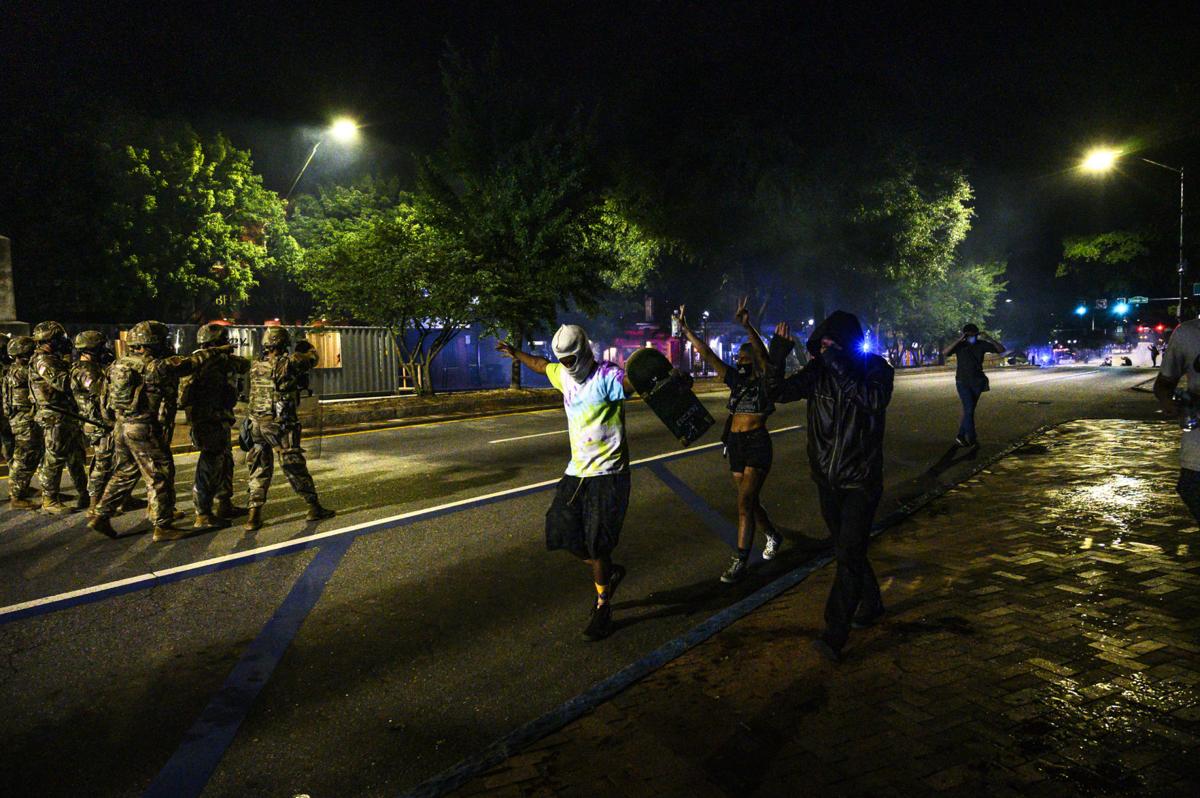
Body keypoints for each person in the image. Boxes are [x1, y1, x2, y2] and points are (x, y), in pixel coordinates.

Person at [768, 312, 894, 664]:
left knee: (849, 555)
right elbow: (776, 392)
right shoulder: (817, 373)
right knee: (846, 550)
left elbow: (872, 401)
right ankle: (872, 603)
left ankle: (834, 633)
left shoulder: (876, 369)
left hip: (862, 482)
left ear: (844, 345)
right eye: (820, 346)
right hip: (827, 481)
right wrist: (777, 354)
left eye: (830, 345)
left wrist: (838, 364)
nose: (823, 351)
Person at [496, 325, 634, 641]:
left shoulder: (606, 377)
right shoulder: (562, 375)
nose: (569, 366)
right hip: (577, 473)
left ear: (584, 350)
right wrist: (516, 353)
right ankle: (608, 571)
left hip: (608, 474)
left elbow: (629, 383)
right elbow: (541, 365)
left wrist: (656, 379)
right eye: (565, 361)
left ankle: (603, 607)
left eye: (572, 359)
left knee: (598, 544)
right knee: (559, 530)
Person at [88, 321, 231, 541]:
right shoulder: (153, 367)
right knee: (160, 474)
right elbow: (189, 363)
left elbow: (104, 399)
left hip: (121, 426)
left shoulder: (117, 365)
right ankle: (162, 526)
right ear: (148, 345)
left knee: (125, 472)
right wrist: (214, 351)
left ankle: (101, 514)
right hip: (143, 428)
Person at [677, 298, 782, 583]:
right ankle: (772, 533)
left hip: (757, 443)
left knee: (744, 502)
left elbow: (763, 355)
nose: (740, 363)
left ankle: (740, 560)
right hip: (735, 445)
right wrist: (686, 331)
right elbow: (708, 354)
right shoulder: (735, 380)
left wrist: (748, 327)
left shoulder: (765, 383)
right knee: (748, 500)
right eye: (738, 360)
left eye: (745, 360)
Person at [244, 327, 335, 531]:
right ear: (283, 344)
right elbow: (313, 359)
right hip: (279, 425)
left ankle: (253, 516)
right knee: (293, 464)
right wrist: (307, 347)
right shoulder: (288, 363)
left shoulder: (256, 365)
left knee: (259, 469)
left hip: (256, 423)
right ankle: (313, 506)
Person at [183, 323, 250, 528]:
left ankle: (224, 503)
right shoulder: (195, 363)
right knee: (209, 466)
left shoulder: (223, 361)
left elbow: (243, 365)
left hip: (221, 419)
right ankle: (202, 513)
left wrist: (222, 355)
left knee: (225, 462)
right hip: (207, 422)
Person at [28, 321, 90, 513]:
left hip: (66, 414)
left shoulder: (52, 358)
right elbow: (64, 383)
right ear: (48, 341)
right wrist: (82, 369)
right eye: (59, 338)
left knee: (76, 457)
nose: (64, 341)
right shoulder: (43, 361)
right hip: (55, 415)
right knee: (54, 458)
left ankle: (85, 494)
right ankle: (49, 500)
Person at [1153, 320, 1200, 521]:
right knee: (1191, 489)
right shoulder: (1188, 334)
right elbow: (1163, 384)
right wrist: (1172, 403)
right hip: (1197, 454)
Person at [70, 330, 116, 516]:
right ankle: (94, 505)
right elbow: (103, 393)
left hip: (100, 420)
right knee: (102, 462)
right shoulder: (86, 370)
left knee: (110, 460)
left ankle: (111, 499)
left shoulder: (88, 367)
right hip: (97, 422)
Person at [942, 323, 1006, 448]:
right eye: (968, 335)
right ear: (965, 335)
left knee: (969, 411)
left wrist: (989, 338)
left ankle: (960, 435)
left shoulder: (982, 344)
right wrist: (959, 339)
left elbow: (1001, 350)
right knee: (969, 410)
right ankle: (972, 438)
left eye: (974, 335)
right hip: (962, 381)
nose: (971, 337)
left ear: (977, 335)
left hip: (977, 382)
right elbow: (945, 352)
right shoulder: (960, 345)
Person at [3, 336, 43, 509]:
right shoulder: (22, 372)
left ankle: (21, 490)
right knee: (24, 457)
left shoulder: (12, 370)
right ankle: (17, 497)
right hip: (24, 419)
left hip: (20, 418)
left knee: (25, 456)